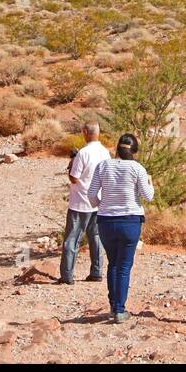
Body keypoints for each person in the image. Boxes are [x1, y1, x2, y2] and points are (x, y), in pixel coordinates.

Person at [87, 134, 153, 323]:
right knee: (124, 266)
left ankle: (113, 304)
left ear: (117, 148)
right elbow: (148, 196)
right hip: (130, 221)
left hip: (106, 221)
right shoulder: (137, 168)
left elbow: (91, 194)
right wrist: (150, 182)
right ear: (135, 151)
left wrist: (103, 206)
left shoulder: (104, 165)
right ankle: (119, 310)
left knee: (113, 263)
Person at [61, 122, 109, 284]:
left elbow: (74, 178)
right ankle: (96, 272)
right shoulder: (105, 152)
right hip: (98, 202)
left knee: (71, 240)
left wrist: (71, 164)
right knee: (96, 238)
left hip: (80, 203)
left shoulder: (83, 153)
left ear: (84, 132)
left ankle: (67, 276)